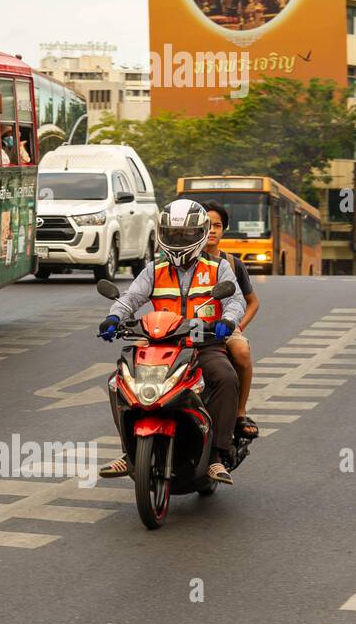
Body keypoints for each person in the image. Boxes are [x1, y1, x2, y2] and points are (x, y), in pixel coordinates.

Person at [97, 199, 247, 485]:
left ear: (200, 233)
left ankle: (216, 455)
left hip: (203, 344)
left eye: (187, 235)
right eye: (173, 234)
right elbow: (130, 298)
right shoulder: (155, 269)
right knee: (117, 383)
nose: (179, 240)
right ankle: (129, 454)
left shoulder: (218, 268)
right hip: (158, 346)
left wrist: (226, 322)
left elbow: (235, 300)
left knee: (226, 377)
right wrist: (113, 318)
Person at [204, 202, 260, 439]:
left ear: (224, 230)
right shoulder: (181, 259)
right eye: (207, 225)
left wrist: (236, 326)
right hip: (187, 328)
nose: (212, 230)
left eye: (217, 225)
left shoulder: (232, 264)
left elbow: (252, 302)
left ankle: (239, 413)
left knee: (242, 352)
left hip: (224, 327)